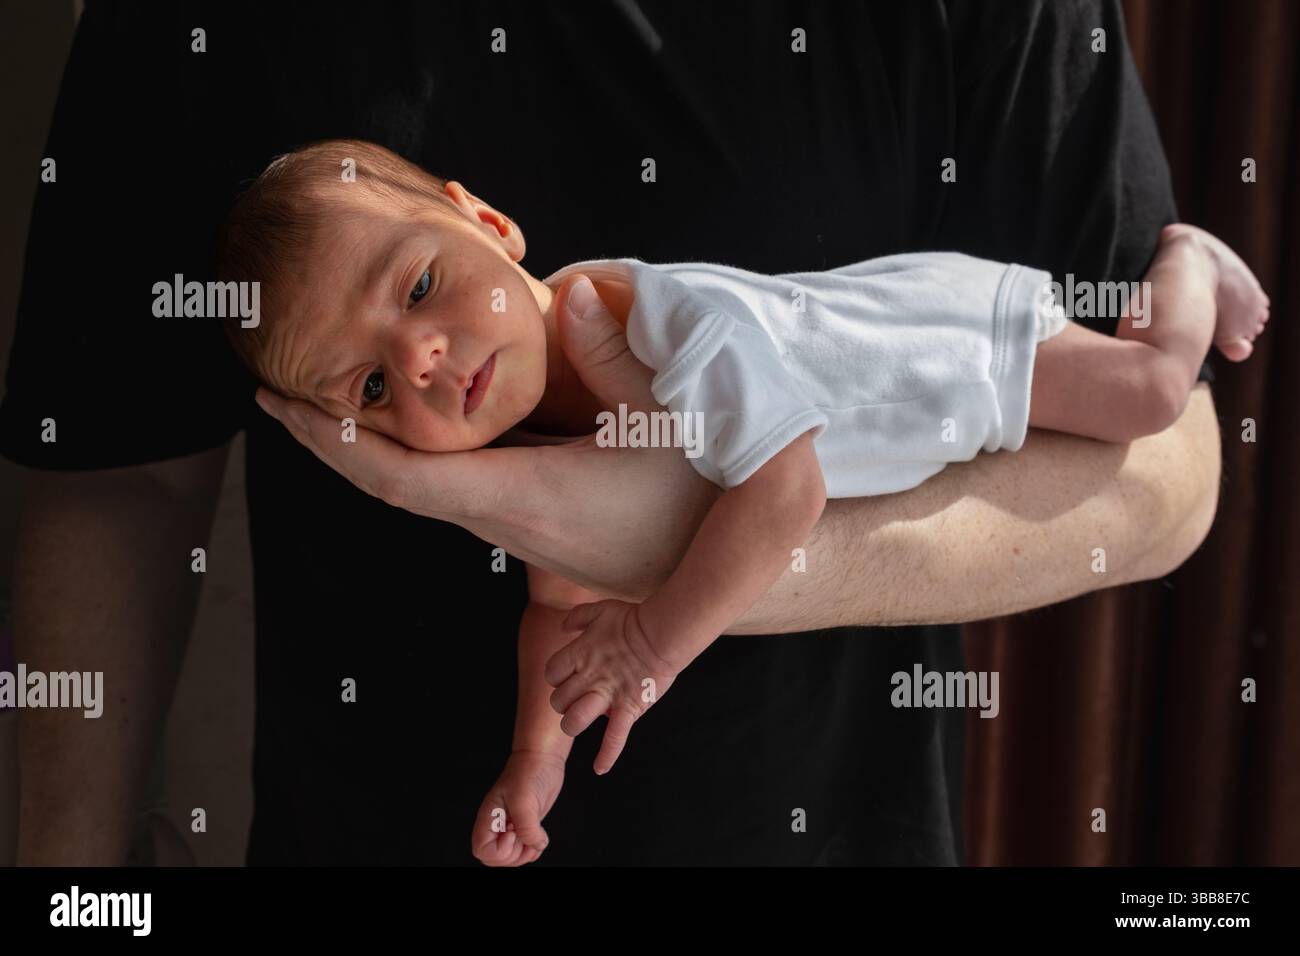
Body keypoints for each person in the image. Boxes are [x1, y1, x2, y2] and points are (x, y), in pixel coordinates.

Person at [1, 0, 1220, 865]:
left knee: (1151, 384)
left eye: (422, 289)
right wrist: (531, 774)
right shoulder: (524, 456)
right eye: (368, 390)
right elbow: (121, 465)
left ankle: (1198, 267)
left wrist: (654, 625)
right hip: (361, 831)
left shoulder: (635, 317)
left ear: (485, 218)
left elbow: (1154, 485)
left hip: (977, 344)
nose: (418, 362)